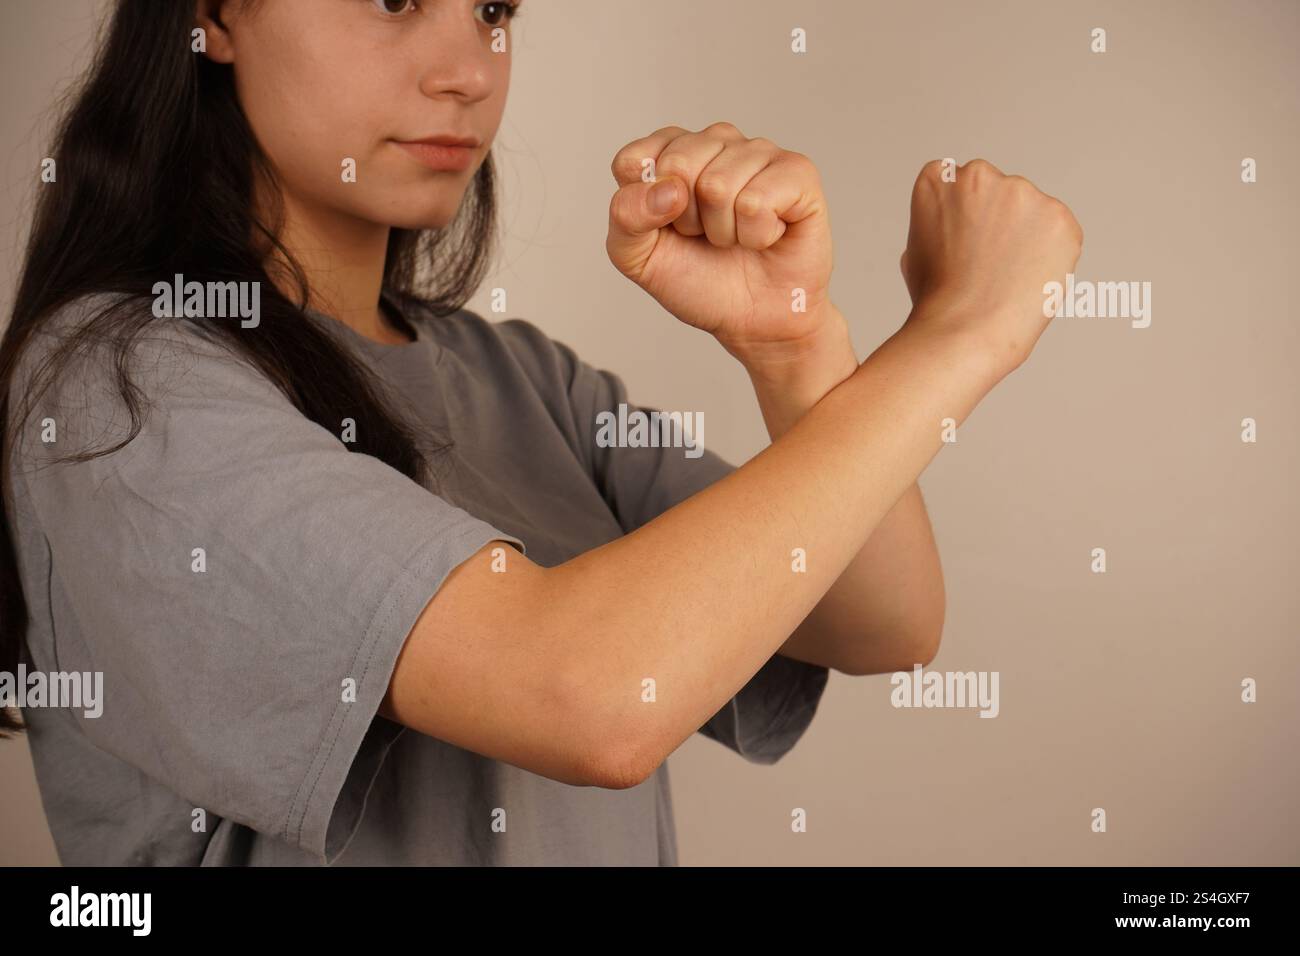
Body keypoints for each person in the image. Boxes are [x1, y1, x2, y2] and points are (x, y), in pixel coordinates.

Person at [0, 0, 1081, 866]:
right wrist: (957, 335)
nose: (468, 71)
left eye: (494, 9)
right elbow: (594, 702)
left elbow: (880, 620)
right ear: (219, 15)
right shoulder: (120, 386)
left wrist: (796, 348)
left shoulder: (519, 375)